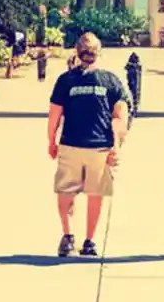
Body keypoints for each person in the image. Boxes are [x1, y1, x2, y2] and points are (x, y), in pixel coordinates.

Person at [48, 33, 129, 257]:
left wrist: (51, 141)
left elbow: (54, 115)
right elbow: (120, 117)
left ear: (77, 51)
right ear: (99, 52)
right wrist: (117, 146)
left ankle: (68, 235)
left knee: (66, 190)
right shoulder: (111, 81)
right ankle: (90, 241)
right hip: (100, 147)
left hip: (71, 144)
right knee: (95, 194)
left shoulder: (66, 81)